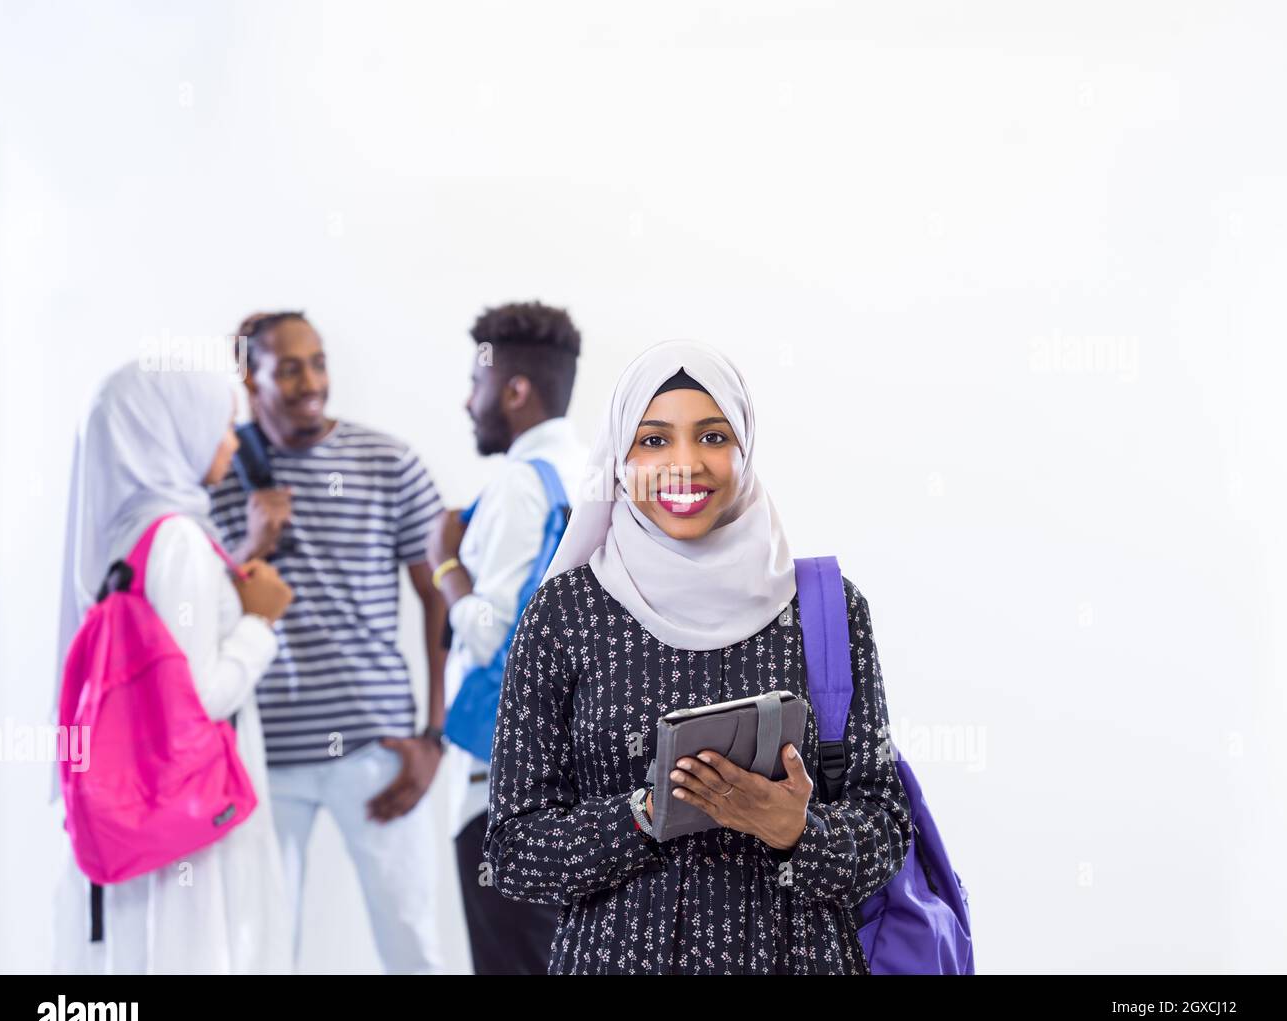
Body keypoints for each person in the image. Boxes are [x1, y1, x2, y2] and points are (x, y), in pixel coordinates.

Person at [482, 339, 914, 974]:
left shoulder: (826, 607)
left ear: (745, 449)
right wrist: (645, 814)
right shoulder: (566, 614)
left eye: (713, 437)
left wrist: (794, 829)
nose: (685, 464)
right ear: (618, 459)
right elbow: (512, 855)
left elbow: (886, 822)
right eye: (653, 441)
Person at [208, 311, 449, 974]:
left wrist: (436, 735)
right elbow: (190, 602)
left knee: (411, 940)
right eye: (287, 367)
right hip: (264, 754)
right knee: (260, 950)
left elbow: (440, 598)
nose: (310, 381)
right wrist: (251, 545)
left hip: (378, 748)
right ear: (248, 377)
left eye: (316, 361)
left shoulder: (389, 461)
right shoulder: (222, 468)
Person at [52, 359, 295, 974]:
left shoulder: (124, 533)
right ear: (171, 428)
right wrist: (259, 622)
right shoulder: (180, 539)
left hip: (152, 805)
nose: (233, 442)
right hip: (199, 812)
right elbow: (198, 696)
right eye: (221, 424)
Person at [428, 301, 589, 974]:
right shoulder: (592, 474)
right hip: (578, 784)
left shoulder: (522, 486)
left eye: (478, 382)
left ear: (516, 389)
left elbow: (494, 635)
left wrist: (446, 567)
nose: (469, 402)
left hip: (502, 790)